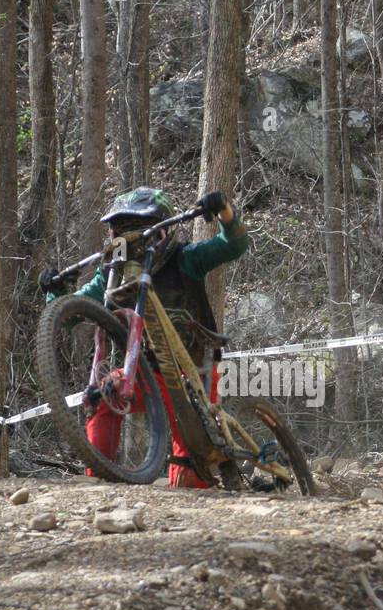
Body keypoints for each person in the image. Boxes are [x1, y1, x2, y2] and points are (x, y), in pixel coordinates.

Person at [40, 187, 247, 487]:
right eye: (120, 229)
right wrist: (54, 293)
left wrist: (225, 211)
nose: (129, 237)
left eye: (137, 228)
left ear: (160, 231)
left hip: (194, 374)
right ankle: (100, 481)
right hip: (145, 375)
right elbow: (67, 316)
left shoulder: (185, 259)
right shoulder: (112, 274)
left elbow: (233, 245)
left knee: (190, 475)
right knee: (103, 396)